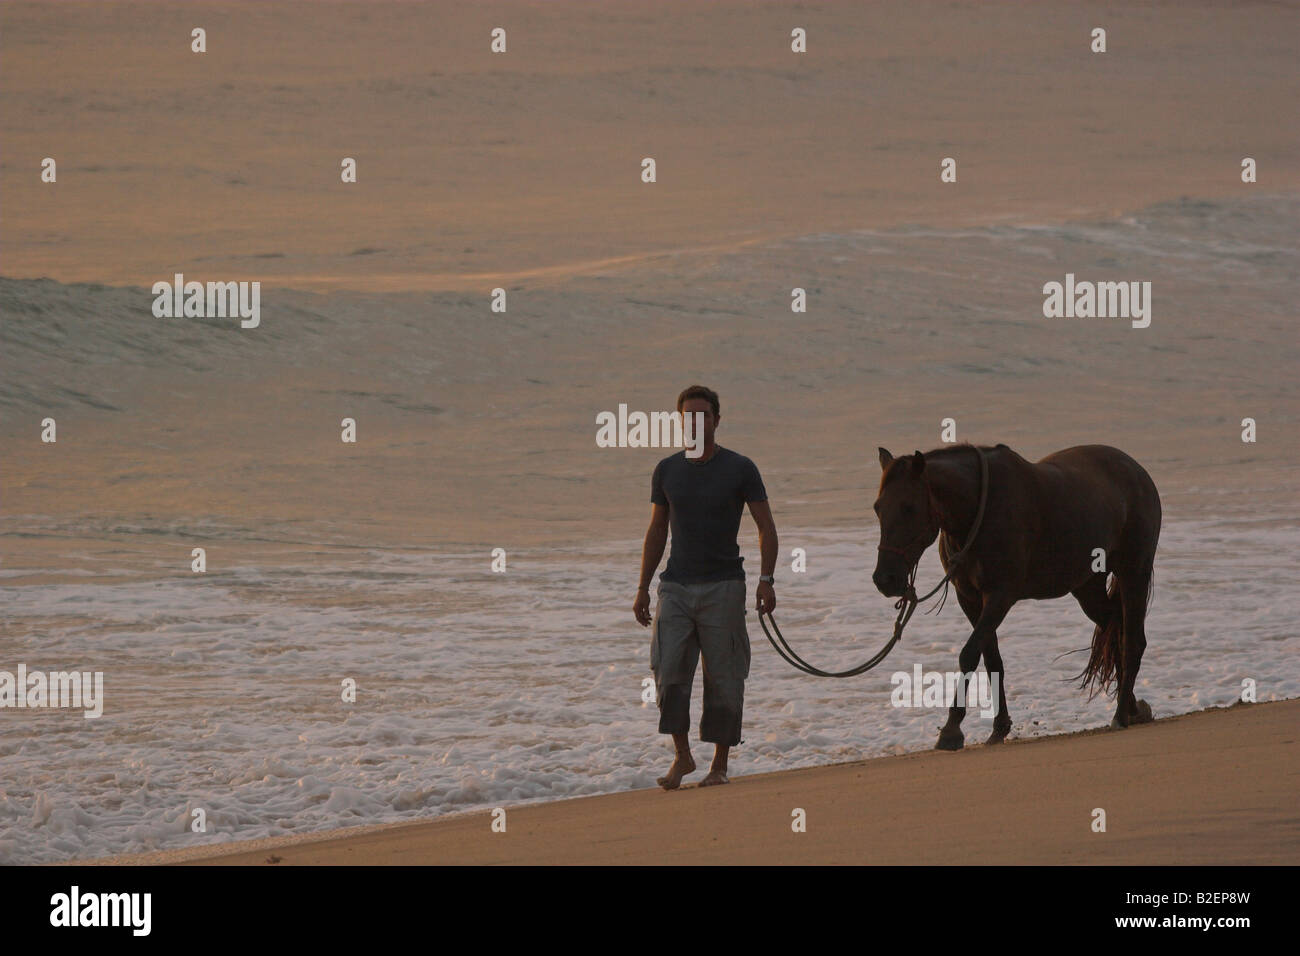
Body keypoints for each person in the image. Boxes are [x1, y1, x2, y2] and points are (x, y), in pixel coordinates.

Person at [633, 385, 777, 789]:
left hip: (724, 586)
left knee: (725, 675)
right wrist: (643, 586)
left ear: (716, 419)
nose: (696, 421)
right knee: (668, 671)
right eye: (689, 415)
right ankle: (682, 757)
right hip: (675, 586)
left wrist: (766, 580)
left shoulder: (740, 468)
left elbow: (765, 527)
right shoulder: (667, 470)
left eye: (703, 414)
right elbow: (657, 530)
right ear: (681, 420)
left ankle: (719, 765)